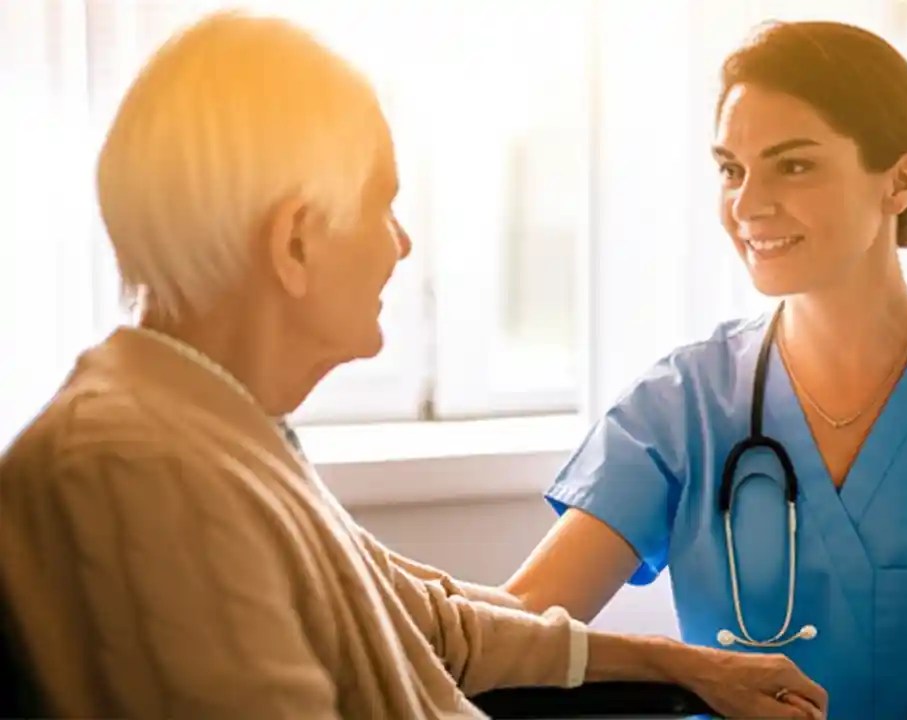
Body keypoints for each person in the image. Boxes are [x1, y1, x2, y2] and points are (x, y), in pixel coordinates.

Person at [0, 11, 828, 719]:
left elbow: (430, 626)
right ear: (295, 241)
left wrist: (681, 663)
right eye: (382, 205)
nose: (401, 244)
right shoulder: (137, 475)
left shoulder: (219, 428)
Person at [504, 20, 907, 720]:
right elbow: (522, 627)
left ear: (901, 181)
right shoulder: (681, 406)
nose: (748, 204)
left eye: (794, 165)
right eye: (731, 169)